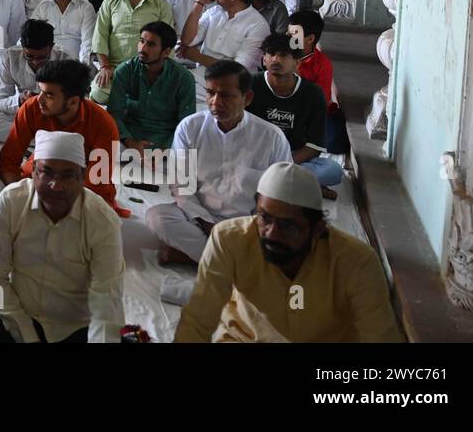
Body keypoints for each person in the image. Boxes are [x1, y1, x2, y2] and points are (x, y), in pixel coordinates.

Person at [175, 162, 403, 342]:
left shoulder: (357, 261)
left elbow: (379, 335)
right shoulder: (229, 239)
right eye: (264, 218)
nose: (272, 233)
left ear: (317, 228)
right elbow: (198, 318)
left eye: (288, 225)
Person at [0, 130, 124, 343]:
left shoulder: (102, 220)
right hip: (16, 313)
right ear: (33, 172)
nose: (56, 185)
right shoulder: (11, 201)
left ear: (82, 177)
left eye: (68, 175)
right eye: (47, 172)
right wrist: (25, 333)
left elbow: (107, 298)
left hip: (75, 325)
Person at [145, 60, 292, 266]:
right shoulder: (191, 127)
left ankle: (196, 258)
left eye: (225, 95)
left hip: (247, 223)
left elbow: (280, 196)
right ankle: (234, 265)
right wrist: (207, 223)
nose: (215, 102)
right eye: (210, 93)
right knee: (157, 217)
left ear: (247, 98)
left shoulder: (271, 137)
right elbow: (181, 186)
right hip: (198, 218)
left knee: (287, 239)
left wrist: (245, 228)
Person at [0, 58, 123, 216]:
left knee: (98, 214)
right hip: (35, 182)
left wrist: (47, 203)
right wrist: (18, 195)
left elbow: (96, 185)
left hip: (77, 191)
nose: (39, 99)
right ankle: (29, 219)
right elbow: (8, 162)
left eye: (49, 95)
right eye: (40, 91)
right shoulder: (32, 108)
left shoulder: (104, 123)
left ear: (73, 101)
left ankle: (24, 220)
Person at [248, 34, 341, 195]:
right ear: (264, 60)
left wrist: (281, 163)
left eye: (283, 55)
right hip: (254, 155)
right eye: (271, 54)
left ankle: (277, 180)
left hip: (293, 157)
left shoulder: (312, 93)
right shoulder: (250, 85)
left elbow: (314, 147)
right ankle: (301, 185)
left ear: (297, 63)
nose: (276, 60)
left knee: (332, 170)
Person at [91, 0, 173, 104]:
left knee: (160, 96)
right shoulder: (110, 0)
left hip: (148, 70)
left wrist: (157, 73)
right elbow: (99, 35)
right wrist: (105, 67)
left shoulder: (160, 5)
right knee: (98, 92)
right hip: (114, 68)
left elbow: (168, 43)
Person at [178, 0, 270, 104]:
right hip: (202, 76)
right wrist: (199, 3)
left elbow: (237, 69)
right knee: (171, 82)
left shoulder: (258, 25)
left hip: (233, 85)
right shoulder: (214, 12)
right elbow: (188, 40)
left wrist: (198, 57)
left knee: (181, 93)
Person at [106, 21, 196, 150]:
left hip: (166, 138)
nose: (142, 48)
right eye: (141, 41)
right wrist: (130, 142)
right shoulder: (125, 70)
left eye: (151, 44)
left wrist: (164, 149)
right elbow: (114, 112)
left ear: (166, 52)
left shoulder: (183, 78)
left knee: (190, 156)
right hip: (130, 136)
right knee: (104, 150)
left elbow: (186, 123)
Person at [0, 20, 63, 142]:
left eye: (42, 57)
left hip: (55, 115)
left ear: (51, 47)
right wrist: (20, 100)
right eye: (30, 56)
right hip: (26, 112)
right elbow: (1, 101)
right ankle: (47, 141)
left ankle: (34, 140)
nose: (36, 62)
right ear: (22, 46)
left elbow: (74, 103)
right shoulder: (10, 56)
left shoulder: (65, 59)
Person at [30, 0, 96, 62]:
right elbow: (31, 34)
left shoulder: (85, 7)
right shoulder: (43, 7)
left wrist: (82, 67)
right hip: (47, 63)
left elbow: (87, 42)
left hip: (75, 63)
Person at [289, 9, 335, 106]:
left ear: (310, 39)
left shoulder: (322, 65)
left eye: (293, 34)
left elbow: (320, 101)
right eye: (288, 32)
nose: (287, 36)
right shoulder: (280, 54)